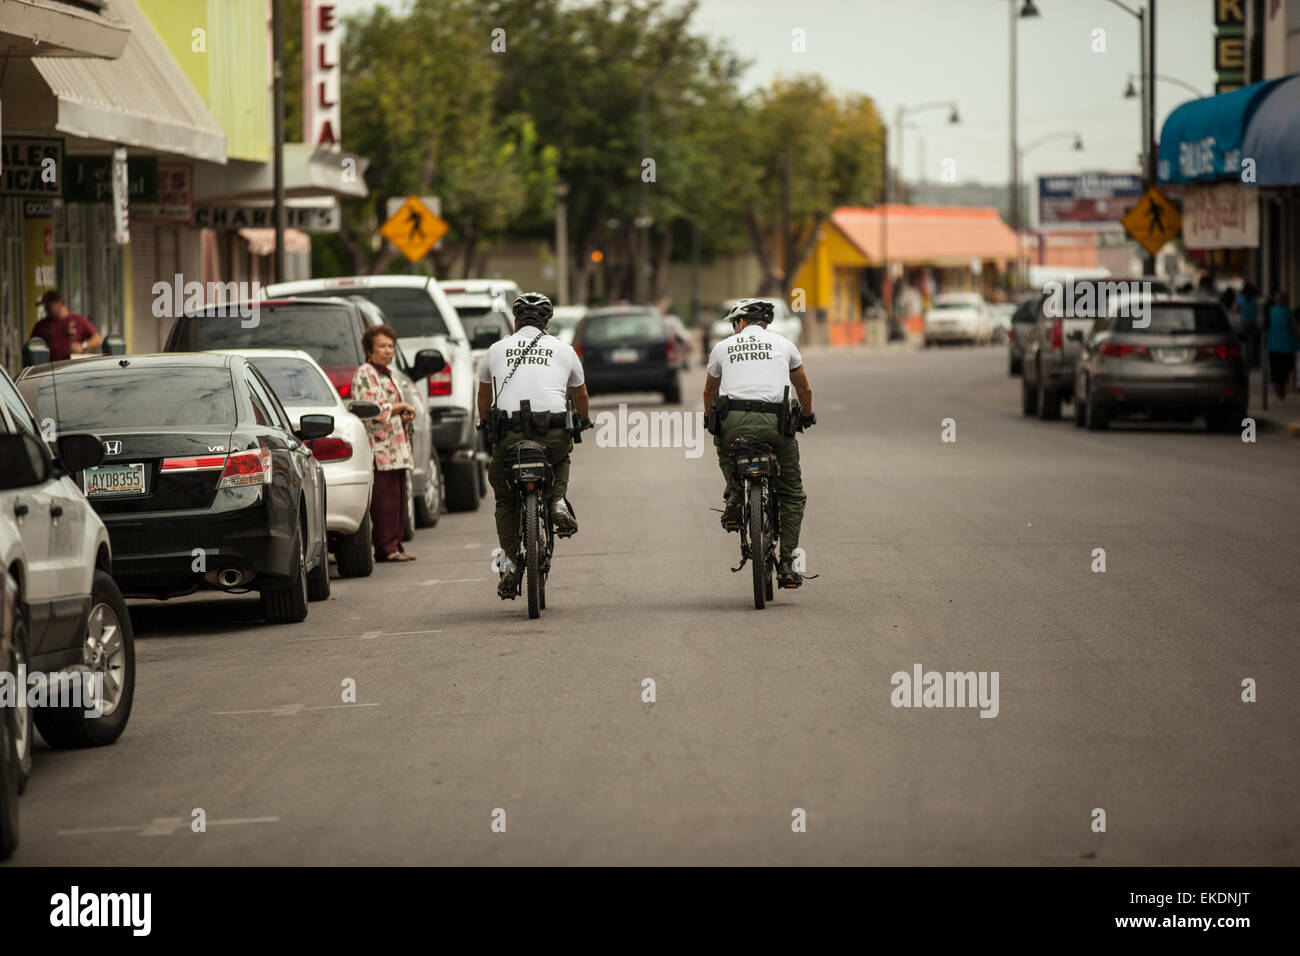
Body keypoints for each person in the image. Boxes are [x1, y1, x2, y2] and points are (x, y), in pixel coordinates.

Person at [477, 292, 589, 600]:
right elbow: (580, 395)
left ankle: (510, 564)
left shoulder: (496, 349)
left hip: (510, 438)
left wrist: (486, 424)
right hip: (553, 435)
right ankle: (557, 503)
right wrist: (584, 420)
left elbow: (484, 398)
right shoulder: (564, 350)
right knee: (562, 456)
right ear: (547, 324)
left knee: (504, 497)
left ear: (515, 322)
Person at [702, 298, 814, 589]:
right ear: (765, 323)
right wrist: (808, 414)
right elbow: (803, 387)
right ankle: (788, 563)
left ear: (740, 322)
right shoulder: (784, 345)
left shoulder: (722, 347)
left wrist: (709, 420)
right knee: (791, 493)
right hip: (775, 424)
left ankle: (735, 497)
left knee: (720, 438)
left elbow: (708, 391)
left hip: (734, 423)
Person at [351, 324, 419, 562]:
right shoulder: (365, 373)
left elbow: (389, 408)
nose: (388, 351)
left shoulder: (386, 374)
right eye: (382, 346)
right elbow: (370, 408)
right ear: (369, 350)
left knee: (398, 501)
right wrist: (399, 407)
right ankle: (386, 549)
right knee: (385, 503)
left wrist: (402, 414)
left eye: (391, 346)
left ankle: (395, 546)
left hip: (396, 449)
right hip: (379, 449)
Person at [31, 290, 101, 361]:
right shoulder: (41, 325)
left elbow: (97, 339)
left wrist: (82, 346)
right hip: (49, 368)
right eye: (45, 306)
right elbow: (32, 347)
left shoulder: (79, 320)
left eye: (49, 305)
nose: (46, 309)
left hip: (73, 366)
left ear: (60, 303)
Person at [1264, 290, 1298, 400]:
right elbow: (1294, 327)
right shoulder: (1288, 312)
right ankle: (1282, 386)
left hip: (1274, 345)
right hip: (1287, 345)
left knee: (1275, 368)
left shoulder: (1270, 311)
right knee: (1286, 368)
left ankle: (1278, 386)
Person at [1237, 283, 1260, 369]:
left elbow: (1235, 309)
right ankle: (1255, 362)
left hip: (1244, 323)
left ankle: (1248, 362)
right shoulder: (1255, 299)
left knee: (1246, 344)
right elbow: (1257, 310)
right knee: (1254, 344)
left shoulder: (1240, 299)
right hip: (1254, 323)